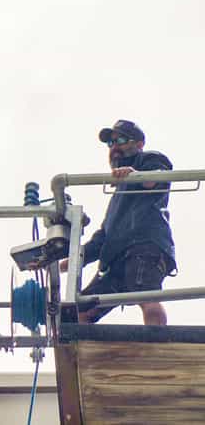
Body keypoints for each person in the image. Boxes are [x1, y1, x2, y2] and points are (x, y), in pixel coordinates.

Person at [62, 120, 175, 325]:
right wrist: (72, 260)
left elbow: (155, 179)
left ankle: (156, 346)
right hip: (114, 258)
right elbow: (103, 237)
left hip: (144, 246)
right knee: (80, 311)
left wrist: (134, 174)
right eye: (110, 143)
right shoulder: (118, 197)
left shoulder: (149, 159)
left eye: (121, 140)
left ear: (139, 143)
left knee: (146, 296)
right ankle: (78, 351)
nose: (114, 147)